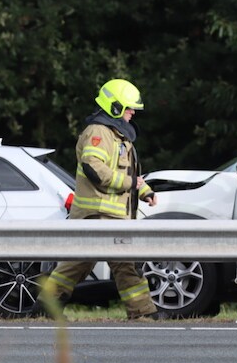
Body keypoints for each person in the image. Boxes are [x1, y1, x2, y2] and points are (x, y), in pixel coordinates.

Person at [39, 78, 163, 319]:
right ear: (114, 106)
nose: (132, 113)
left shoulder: (117, 135)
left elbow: (129, 174)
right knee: (126, 261)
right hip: (99, 212)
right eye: (128, 108)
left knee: (80, 262)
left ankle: (47, 303)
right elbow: (93, 167)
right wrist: (130, 184)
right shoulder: (99, 133)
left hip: (107, 214)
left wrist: (144, 190)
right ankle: (143, 313)